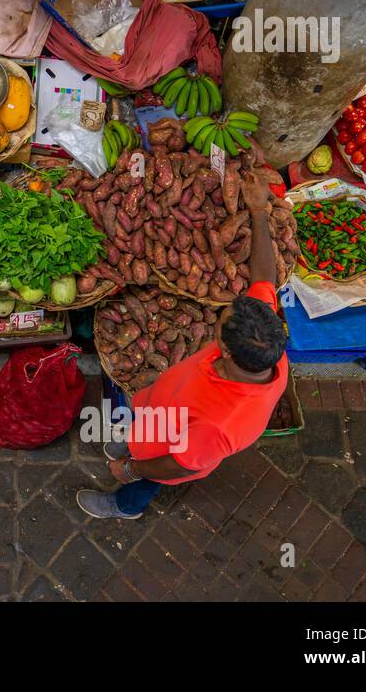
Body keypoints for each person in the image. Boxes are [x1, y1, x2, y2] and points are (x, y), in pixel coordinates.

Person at [77, 170, 289, 520]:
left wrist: (133, 470)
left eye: (221, 323)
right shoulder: (262, 337)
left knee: (144, 483)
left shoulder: (220, 426)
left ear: (228, 351)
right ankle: (129, 443)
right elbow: (265, 278)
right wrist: (257, 211)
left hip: (161, 454)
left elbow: (180, 466)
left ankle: (123, 506)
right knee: (137, 430)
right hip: (158, 413)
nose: (221, 315)